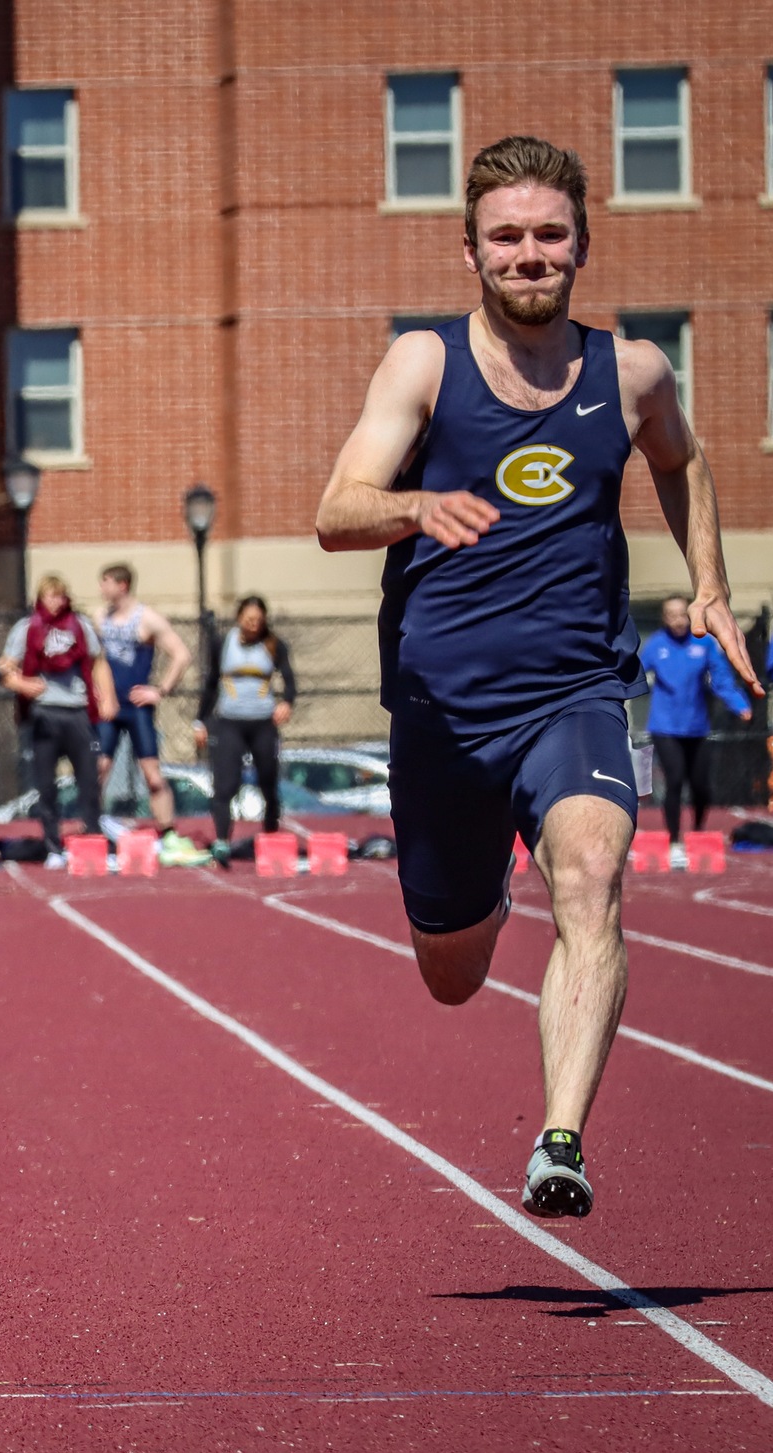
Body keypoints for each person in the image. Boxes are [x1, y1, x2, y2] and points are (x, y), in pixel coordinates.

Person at [315, 135, 762, 1219]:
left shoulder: (632, 371)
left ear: (580, 246)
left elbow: (682, 458)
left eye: (547, 235)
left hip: (570, 692)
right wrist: (415, 506)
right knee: (451, 972)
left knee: (594, 874)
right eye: (506, 236)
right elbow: (335, 511)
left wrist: (706, 577)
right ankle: (479, 881)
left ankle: (557, 1140)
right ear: (467, 248)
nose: (528, 254)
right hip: (440, 713)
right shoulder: (424, 364)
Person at [0, 575, 116, 869]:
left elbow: (98, 661)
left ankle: (94, 838)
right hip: (44, 712)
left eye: (60, 596)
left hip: (76, 711)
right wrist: (22, 684)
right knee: (46, 784)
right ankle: (53, 846)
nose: (55, 602)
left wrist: (108, 697)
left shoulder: (80, 626)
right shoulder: (26, 629)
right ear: (40, 598)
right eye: (50, 596)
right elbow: (4, 667)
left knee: (89, 780)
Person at [94, 563, 202, 866]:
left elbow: (181, 654)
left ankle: (167, 832)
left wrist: (160, 689)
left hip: (137, 707)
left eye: (106, 583)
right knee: (98, 769)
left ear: (122, 585)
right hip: (109, 708)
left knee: (153, 776)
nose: (101, 589)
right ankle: (93, 827)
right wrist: (98, 692)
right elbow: (92, 658)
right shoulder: (100, 618)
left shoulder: (148, 618)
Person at [641, 593, 752, 865]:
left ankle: (698, 833)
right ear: (664, 618)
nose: (677, 620)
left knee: (701, 787)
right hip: (665, 726)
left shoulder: (704, 645)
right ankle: (675, 840)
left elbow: (722, 680)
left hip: (697, 727)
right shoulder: (656, 646)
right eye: (671, 615)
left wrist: (740, 705)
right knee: (675, 779)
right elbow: (634, 674)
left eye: (682, 614)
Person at [193, 595, 296, 860]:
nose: (253, 624)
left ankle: (271, 836)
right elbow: (211, 684)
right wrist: (200, 721)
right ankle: (222, 841)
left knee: (268, 782)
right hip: (229, 722)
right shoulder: (223, 644)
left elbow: (289, 680)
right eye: (248, 619)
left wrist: (287, 702)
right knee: (225, 784)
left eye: (258, 620)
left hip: (262, 723)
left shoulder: (273, 645)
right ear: (239, 618)